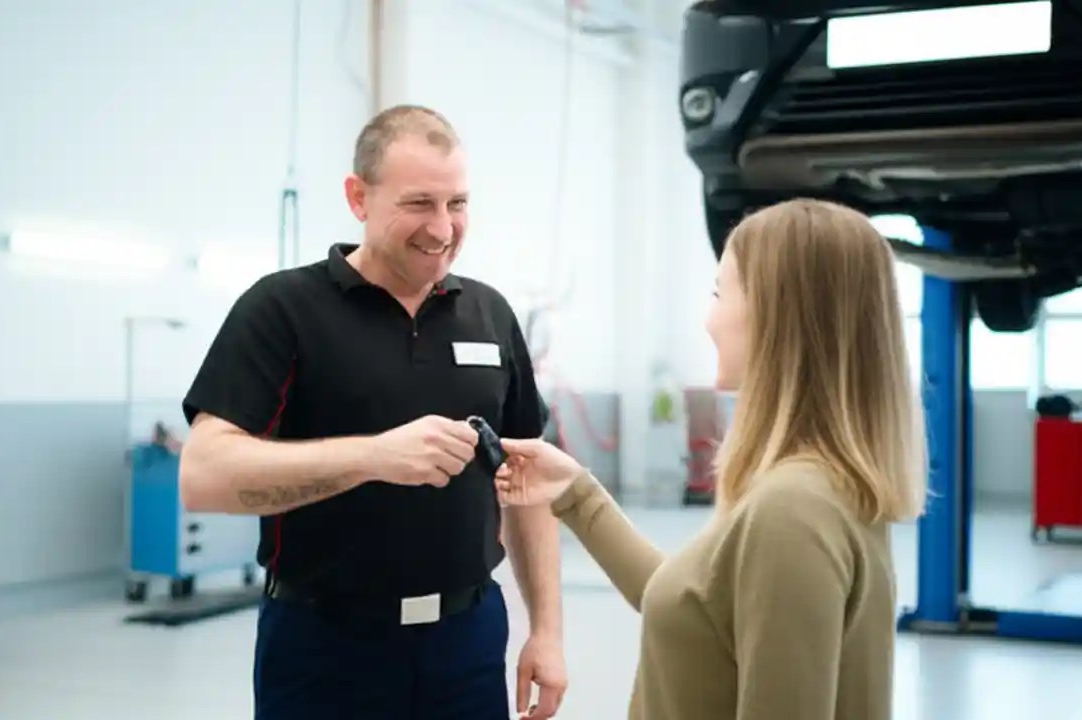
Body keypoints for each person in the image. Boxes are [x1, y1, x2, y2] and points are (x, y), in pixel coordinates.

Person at [178, 104, 567, 720]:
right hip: (324, 647)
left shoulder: (490, 315)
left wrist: (547, 630)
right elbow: (203, 476)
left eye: (457, 203)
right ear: (358, 197)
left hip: (466, 641)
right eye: (419, 204)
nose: (442, 228)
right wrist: (373, 457)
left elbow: (527, 482)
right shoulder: (283, 310)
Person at [493, 198, 927, 720]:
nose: (709, 320)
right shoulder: (825, 487)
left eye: (720, 293)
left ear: (776, 315)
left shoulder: (792, 512)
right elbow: (695, 606)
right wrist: (577, 495)